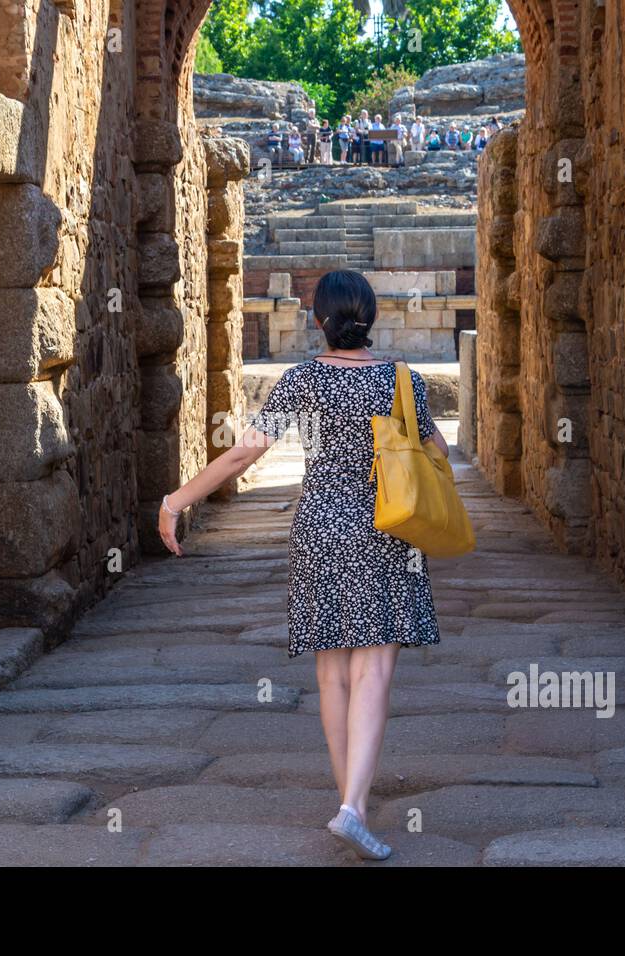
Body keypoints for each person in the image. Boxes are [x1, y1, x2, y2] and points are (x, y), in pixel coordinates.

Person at [157, 270, 450, 862]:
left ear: (320, 320)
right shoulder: (402, 381)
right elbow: (437, 453)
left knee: (332, 675)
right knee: (375, 672)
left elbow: (244, 453)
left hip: (320, 531)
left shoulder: (304, 381)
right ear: (372, 316)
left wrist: (176, 500)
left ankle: (352, 805)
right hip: (389, 533)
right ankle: (352, 809)